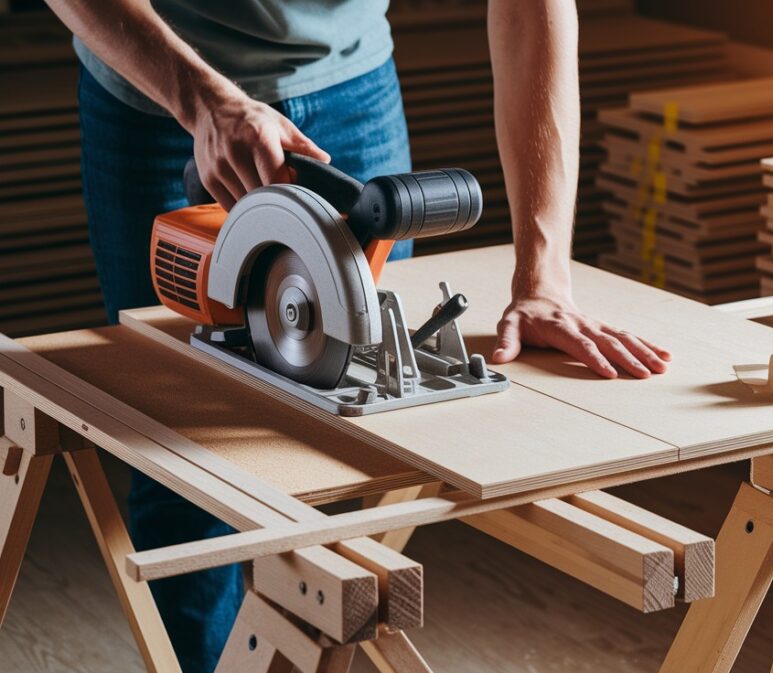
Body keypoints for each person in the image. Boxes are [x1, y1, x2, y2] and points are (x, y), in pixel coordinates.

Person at [43, 1, 672, 671]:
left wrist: (543, 275)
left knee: (353, 425)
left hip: (349, 83)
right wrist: (200, 100)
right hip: (161, 80)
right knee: (177, 460)